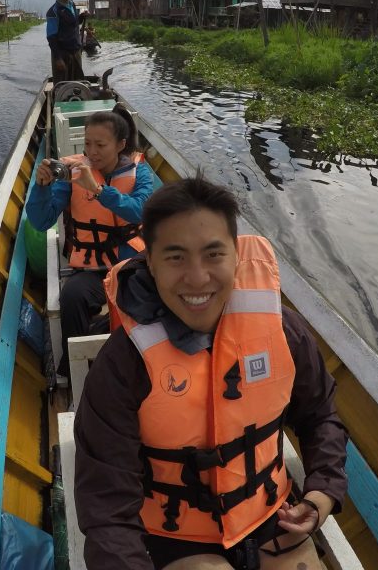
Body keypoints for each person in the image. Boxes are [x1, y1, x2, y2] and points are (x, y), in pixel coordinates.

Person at [74, 174, 348, 570]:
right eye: (175, 257)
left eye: (214, 254)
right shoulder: (123, 364)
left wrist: (322, 492)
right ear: (149, 261)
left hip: (272, 520)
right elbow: (107, 507)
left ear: (236, 256)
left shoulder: (284, 331)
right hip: (174, 540)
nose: (198, 278)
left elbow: (321, 415)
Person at [25, 106, 154, 379]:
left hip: (130, 264)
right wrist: (41, 187)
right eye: (87, 143)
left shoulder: (139, 171)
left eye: (100, 144)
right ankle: (75, 371)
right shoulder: (72, 174)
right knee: (72, 297)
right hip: (92, 269)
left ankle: (132, 359)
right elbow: (41, 221)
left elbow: (141, 210)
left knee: (148, 300)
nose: (92, 151)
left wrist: (98, 190)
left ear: (120, 145)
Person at [46, 0, 85, 83]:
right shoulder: (53, 11)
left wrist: (81, 17)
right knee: (62, 88)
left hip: (76, 53)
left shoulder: (72, 5)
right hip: (62, 55)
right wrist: (58, 59)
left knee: (78, 86)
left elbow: (74, 24)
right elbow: (51, 37)